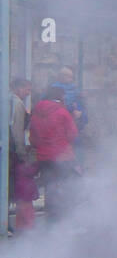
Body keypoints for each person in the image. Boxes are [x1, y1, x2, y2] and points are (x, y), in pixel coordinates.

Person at [27, 87, 80, 223]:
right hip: (62, 157)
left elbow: (33, 139)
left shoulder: (36, 113)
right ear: (60, 97)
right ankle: (63, 219)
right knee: (65, 186)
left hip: (44, 158)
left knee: (49, 187)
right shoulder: (62, 112)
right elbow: (72, 134)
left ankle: (51, 218)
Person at [8, 78, 35, 234]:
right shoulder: (17, 103)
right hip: (11, 152)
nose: (27, 93)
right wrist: (21, 154)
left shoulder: (7, 100)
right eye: (27, 90)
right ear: (18, 88)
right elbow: (17, 132)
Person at [49, 66, 88, 131]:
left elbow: (79, 105)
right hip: (62, 122)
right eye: (69, 77)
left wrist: (80, 113)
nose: (71, 79)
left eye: (72, 77)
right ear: (61, 76)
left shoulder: (74, 89)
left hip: (74, 124)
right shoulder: (54, 90)